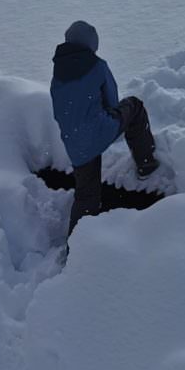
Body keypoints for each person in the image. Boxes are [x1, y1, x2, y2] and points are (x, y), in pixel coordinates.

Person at [50, 20, 159, 235]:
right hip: (98, 130)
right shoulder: (97, 66)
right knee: (134, 107)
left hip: (73, 142)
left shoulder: (58, 73)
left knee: (86, 197)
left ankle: (76, 246)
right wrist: (102, 122)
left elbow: (59, 110)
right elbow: (112, 101)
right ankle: (146, 163)